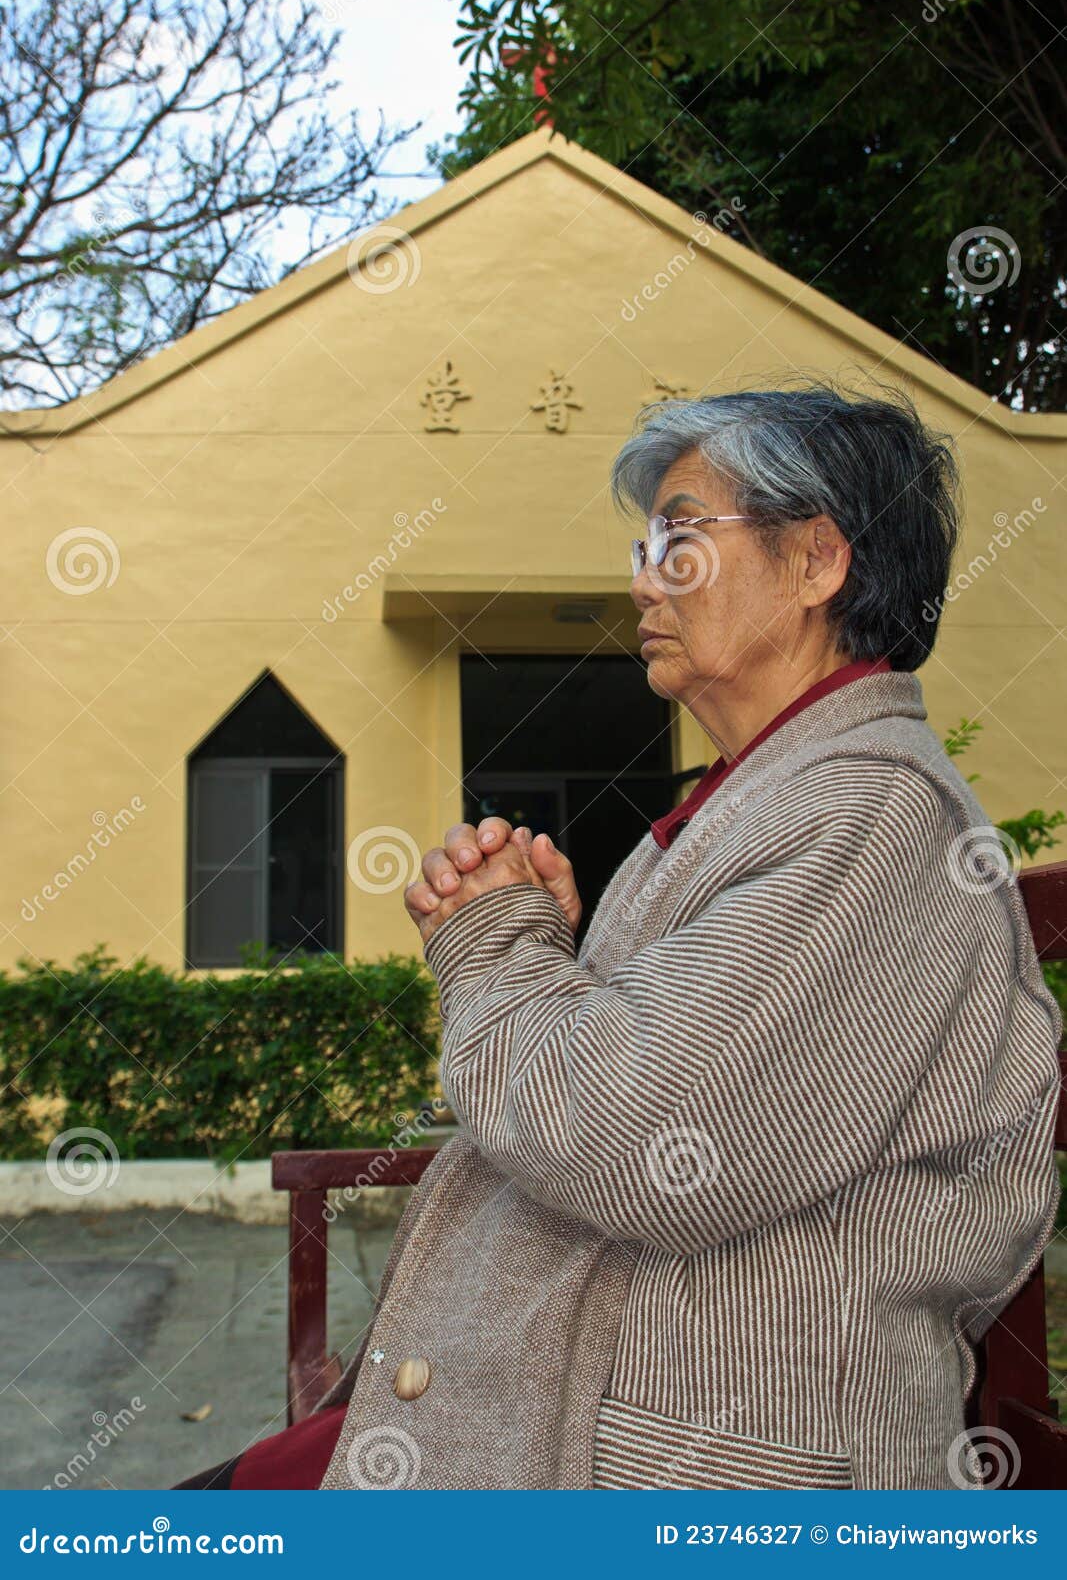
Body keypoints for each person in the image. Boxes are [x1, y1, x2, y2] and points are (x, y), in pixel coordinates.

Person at [175, 383, 1061, 1491]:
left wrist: (496, 940)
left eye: (681, 539)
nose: (641, 580)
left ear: (815, 561)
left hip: (685, 1466)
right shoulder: (767, 800)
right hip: (570, 1405)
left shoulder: (870, 816)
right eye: (645, 545)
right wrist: (545, 950)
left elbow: (632, 1141)